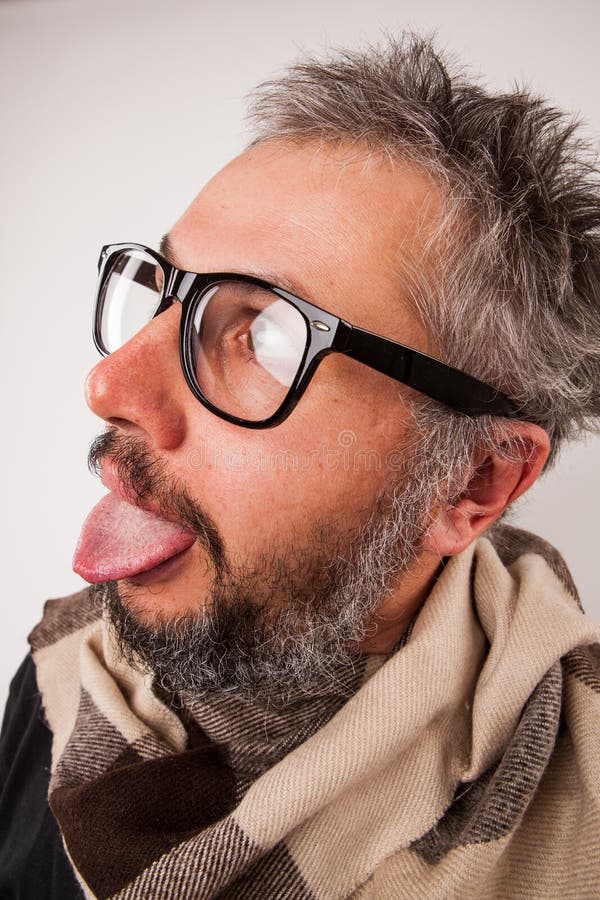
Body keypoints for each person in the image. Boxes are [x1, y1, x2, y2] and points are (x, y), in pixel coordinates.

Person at [1, 33, 599, 900]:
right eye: (167, 288)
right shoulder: (61, 677)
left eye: (267, 333)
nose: (109, 384)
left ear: (475, 482)